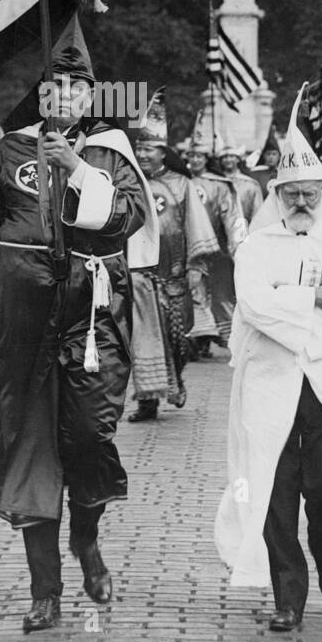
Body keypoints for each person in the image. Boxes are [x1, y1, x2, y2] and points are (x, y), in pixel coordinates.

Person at [0, 21, 154, 634]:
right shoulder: (9, 151)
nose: (66, 96)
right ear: (42, 92)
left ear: (92, 96)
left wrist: (77, 168)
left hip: (92, 325)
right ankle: (46, 590)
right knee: (31, 447)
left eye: (78, 87)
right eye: (55, 86)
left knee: (88, 440)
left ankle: (86, 540)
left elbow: (125, 220)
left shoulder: (112, 150)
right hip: (26, 324)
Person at [214, 88, 322, 631]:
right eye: (291, 193)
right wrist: (310, 299)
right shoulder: (258, 247)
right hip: (270, 385)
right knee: (273, 487)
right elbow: (255, 303)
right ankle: (288, 595)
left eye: (311, 193)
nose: (302, 203)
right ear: (278, 193)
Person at [128, 89, 219, 422]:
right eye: (139, 147)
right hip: (138, 276)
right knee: (143, 342)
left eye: (149, 148)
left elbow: (196, 226)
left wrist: (196, 267)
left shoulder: (181, 185)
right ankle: (147, 400)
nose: (143, 154)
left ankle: (175, 378)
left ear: (163, 152)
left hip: (174, 277)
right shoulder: (127, 181)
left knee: (178, 341)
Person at [183, 127, 243, 358]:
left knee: (218, 295)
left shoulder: (219, 185)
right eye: (192, 155)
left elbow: (231, 216)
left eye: (200, 156)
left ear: (206, 159)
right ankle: (195, 341)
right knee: (193, 293)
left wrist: (237, 246)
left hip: (216, 248)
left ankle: (218, 339)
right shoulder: (180, 180)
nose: (195, 159)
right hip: (187, 248)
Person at [245, 130, 281, 200]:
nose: (271, 157)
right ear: (264, 156)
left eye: (274, 154)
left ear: (279, 156)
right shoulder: (255, 173)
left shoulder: (283, 173)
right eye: (268, 154)